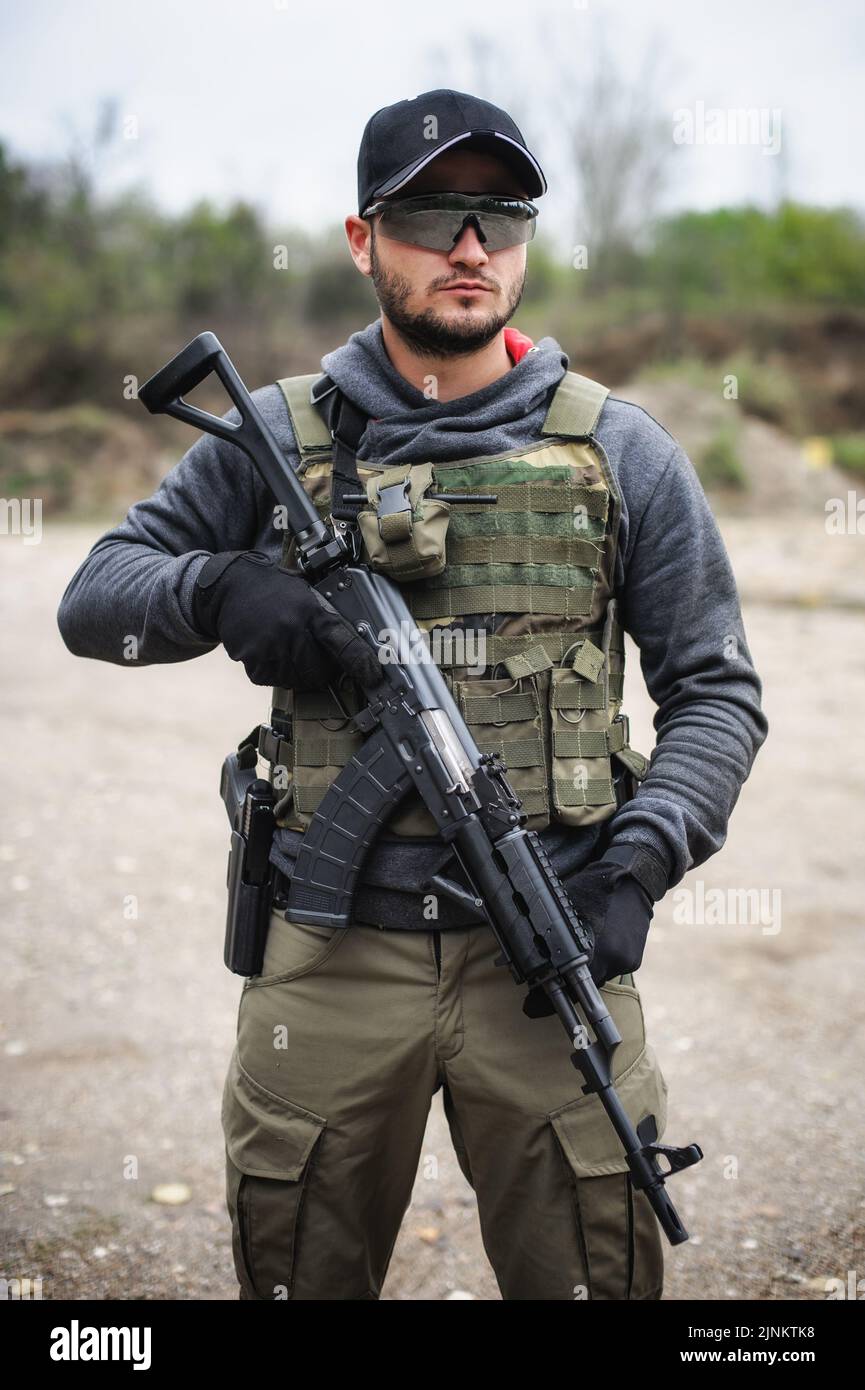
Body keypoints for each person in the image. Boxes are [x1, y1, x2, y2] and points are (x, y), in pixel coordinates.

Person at [57, 89, 768, 1301]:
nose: (472, 247)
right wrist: (222, 588)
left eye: (500, 215)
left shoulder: (622, 452)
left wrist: (640, 861)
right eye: (434, 215)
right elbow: (93, 599)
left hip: (548, 945)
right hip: (329, 958)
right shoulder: (268, 436)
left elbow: (716, 693)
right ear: (360, 238)